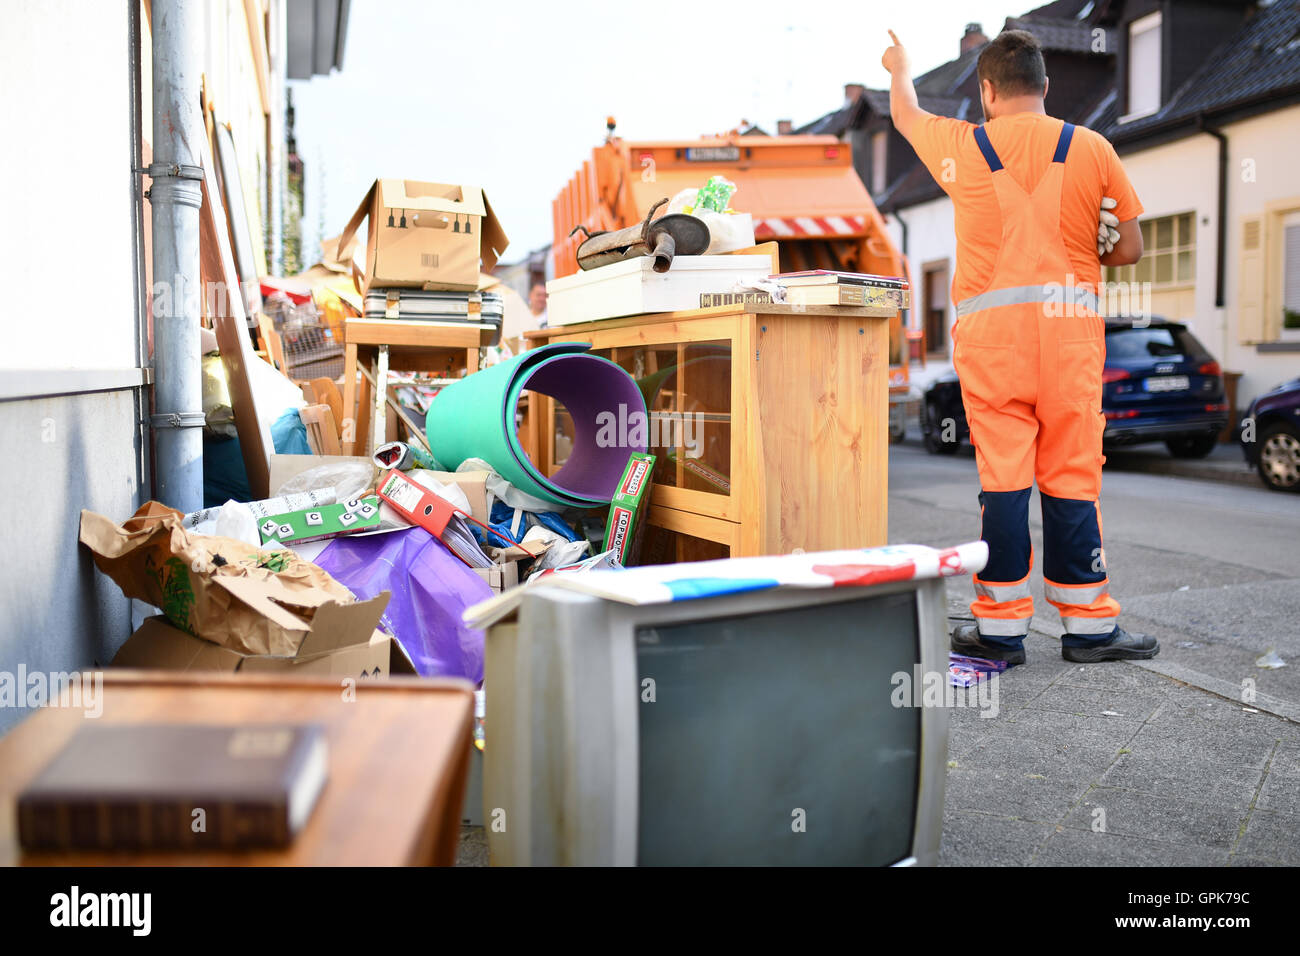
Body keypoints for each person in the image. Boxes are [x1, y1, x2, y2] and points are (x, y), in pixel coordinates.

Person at [882, 28, 1159, 665]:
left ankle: (1001, 631)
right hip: (1069, 343)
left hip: (993, 347)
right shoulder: (1093, 148)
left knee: (1003, 482)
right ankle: (1089, 627)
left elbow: (903, 112)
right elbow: (1129, 249)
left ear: (986, 91)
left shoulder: (962, 146)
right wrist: (1094, 239)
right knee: (1072, 477)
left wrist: (901, 66)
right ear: (1045, 86)